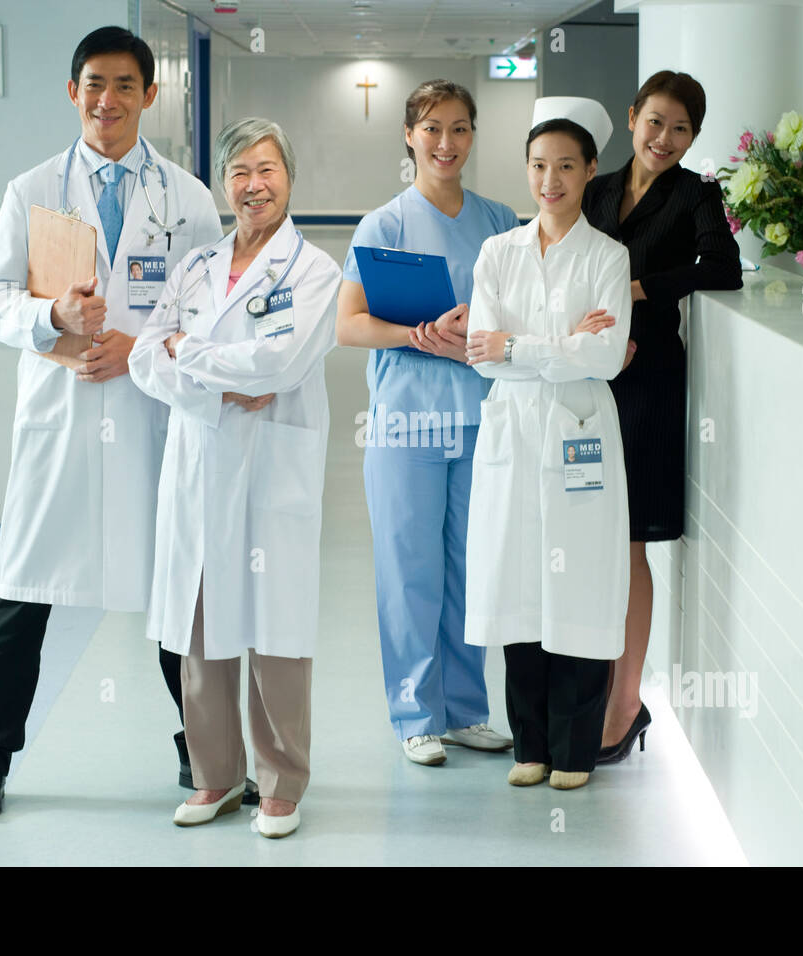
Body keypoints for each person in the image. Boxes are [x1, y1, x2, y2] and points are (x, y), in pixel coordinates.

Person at [0, 26, 223, 820]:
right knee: (22, 592)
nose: (109, 100)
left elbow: (209, 313)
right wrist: (53, 316)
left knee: (179, 592)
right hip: (62, 418)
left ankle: (204, 750)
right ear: (73, 92)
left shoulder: (188, 197)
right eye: (95, 84)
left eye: (126, 86)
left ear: (149, 94)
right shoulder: (31, 190)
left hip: (149, 418)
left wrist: (142, 350)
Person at [130, 118, 341, 839]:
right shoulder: (194, 267)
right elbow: (142, 359)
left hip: (269, 468)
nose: (254, 185)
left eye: (267, 170)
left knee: (274, 624)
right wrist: (212, 375)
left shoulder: (314, 270)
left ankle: (281, 781)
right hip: (197, 466)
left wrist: (191, 355)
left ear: (289, 178)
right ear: (225, 185)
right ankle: (216, 775)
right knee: (198, 623)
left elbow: (280, 366)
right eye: (240, 172)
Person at [337, 79, 517, 766]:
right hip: (407, 423)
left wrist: (481, 326)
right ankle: (417, 714)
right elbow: (349, 326)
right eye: (433, 128)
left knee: (471, 570)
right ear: (410, 136)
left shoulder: (500, 220)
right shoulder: (384, 225)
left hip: (481, 419)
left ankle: (468, 711)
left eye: (461, 128)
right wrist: (416, 335)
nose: (447, 142)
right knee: (408, 569)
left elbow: (518, 311)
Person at [463, 97, 631, 791]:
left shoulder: (606, 256)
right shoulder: (496, 251)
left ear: (590, 170)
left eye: (565, 166)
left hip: (578, 429)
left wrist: (523, 346)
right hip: (513, 428)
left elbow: (608, 353)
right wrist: (561, 346)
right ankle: (530, 746)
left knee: (579, 585)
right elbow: (481, 353)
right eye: (538, 166)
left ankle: (576, 751)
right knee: (519, 580)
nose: (549, 180)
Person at [581, 71, 742, 763]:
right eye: (655, 122)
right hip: (587, 376)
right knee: (586, 537)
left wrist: (642, 286)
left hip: (646, 382)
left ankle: (625, 702)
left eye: (681, 128)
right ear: (632, 116)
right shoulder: (595, 190)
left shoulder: (696, 194)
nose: (665, 139)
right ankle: (592, 691)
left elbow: (725, 268)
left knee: (628, 542)